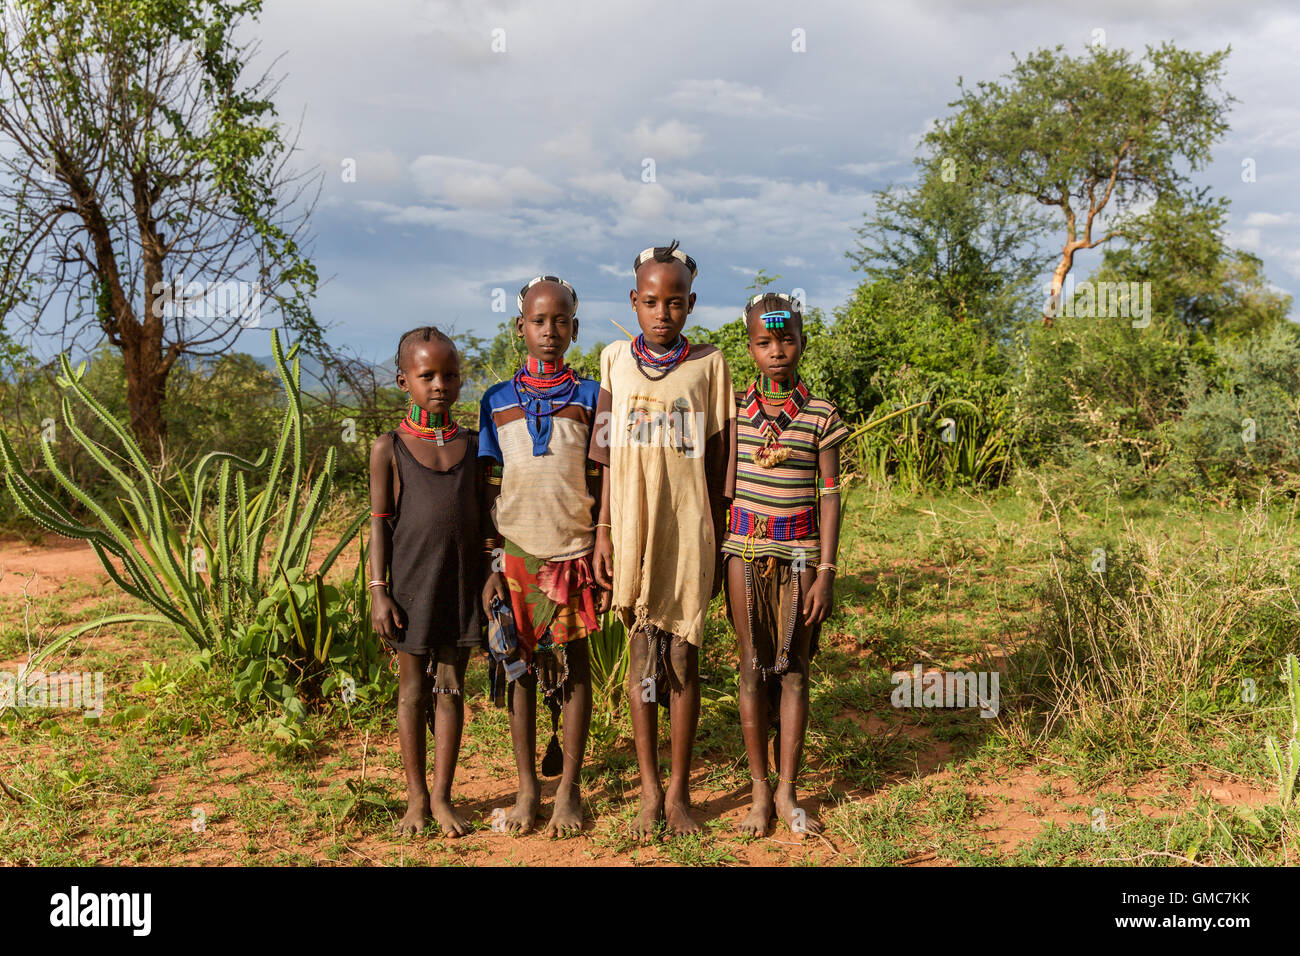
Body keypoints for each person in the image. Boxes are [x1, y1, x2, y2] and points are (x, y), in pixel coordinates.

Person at [590, 240, 735, 838]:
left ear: (691, 304)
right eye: (650, 301)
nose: (662, 312)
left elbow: (721, 461)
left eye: (675, 302)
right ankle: (648, 790)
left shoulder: (710, 364)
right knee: (642, 656)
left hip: (687, 527)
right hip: (629, 524)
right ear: (634, 301)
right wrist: (601, 528)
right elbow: (602, 453)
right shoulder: (614, 360)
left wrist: (722, 539)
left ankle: (679, 792)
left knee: (681, 654)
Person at [479, 275, 608, 838]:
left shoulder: (592, 397)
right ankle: (528, 787)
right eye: (538, 321)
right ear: (520, 328)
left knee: (577, 671)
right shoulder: (496, 401)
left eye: (560, 322)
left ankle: (570, 789)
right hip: (517, 556)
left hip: (574, 551)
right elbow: (485, 486)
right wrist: (491, 561)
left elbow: (604, 479)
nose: (549, 331)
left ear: (574, 330)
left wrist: (603, 539)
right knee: (519, 669)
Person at [721, 293, 848, 837]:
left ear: (802, 343)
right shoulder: (733, 411)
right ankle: (756, 792)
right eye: (765, 342)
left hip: (799, 556)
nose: (777, 351)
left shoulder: (820, 414)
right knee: (752, 666)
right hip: (743, 553)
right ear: (750, 347)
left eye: (787, 339)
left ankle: (789, 788)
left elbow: (830, 495)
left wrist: (826, 570)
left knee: (794, 671)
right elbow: (720, 489)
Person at [367, 327, 485, 837]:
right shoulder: (388, 448)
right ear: (403, 381)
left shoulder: (473, 445)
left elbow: (485, 521)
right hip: (411, 590)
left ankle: (442, 796)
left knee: (451, 689)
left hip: (461, 587)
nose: (441, 384)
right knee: (412, 693)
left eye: (450, 374)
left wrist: (492, 576)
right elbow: (378, 522)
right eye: (427, 375)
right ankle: (414, 798)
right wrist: (378, 591)